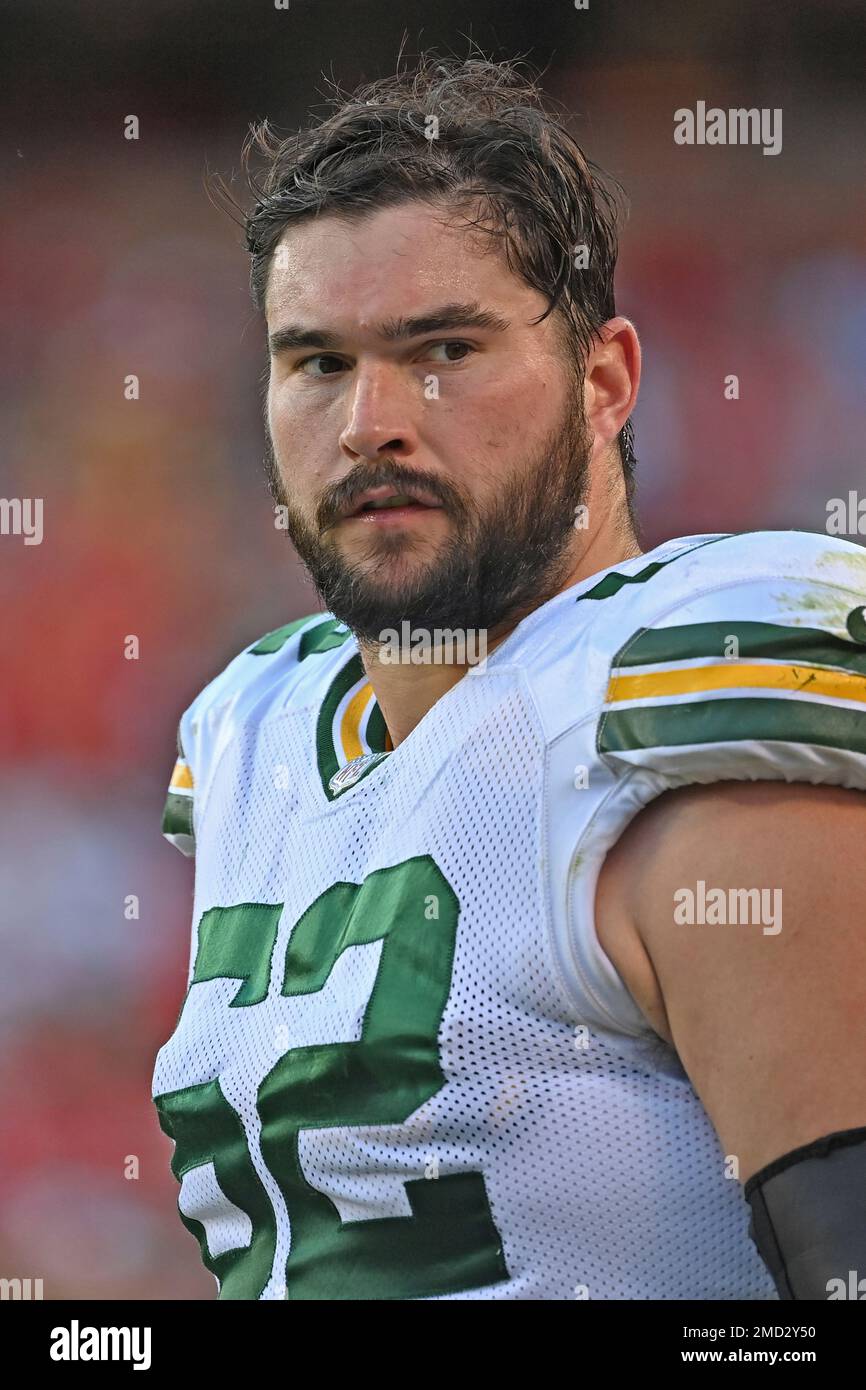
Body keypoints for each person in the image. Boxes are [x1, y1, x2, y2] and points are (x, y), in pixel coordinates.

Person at [153, 53, 866, 1300]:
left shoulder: (681, 701)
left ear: (603, 383)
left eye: (441, 348)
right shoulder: (249, 733)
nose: (371, 418)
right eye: (314, 362)